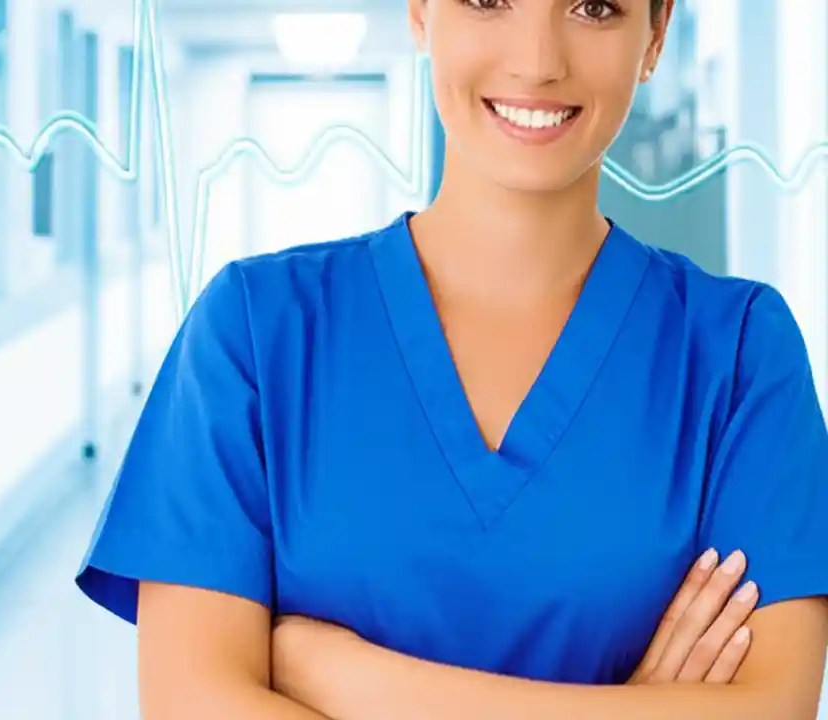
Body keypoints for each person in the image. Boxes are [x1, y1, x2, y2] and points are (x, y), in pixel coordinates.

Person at [76, 0, 828, 717]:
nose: (537, 62)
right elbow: (191, 705)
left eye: (594, 7)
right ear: (418, 10)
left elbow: (773, 708)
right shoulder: (253, 331)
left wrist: (359, 685)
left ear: (657, 33)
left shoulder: (740, 355)